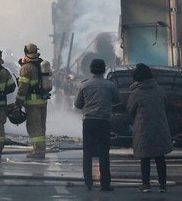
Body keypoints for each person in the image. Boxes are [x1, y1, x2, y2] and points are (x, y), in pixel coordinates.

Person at [74, 59, 120, 192]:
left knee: (87, 152)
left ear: (91, 70)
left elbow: (77, 105)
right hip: (104, 122)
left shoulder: (84, 85)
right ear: (104, 69)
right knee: (104, 153)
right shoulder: (110, 85)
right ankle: (105, 184)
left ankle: (88, 182)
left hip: (88, 121)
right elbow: (117, 100)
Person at [127, 63, 172, 193]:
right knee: (160, 157)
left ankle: (146, 184)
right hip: (160, 127)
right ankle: (162, 185)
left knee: (144, 157)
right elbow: (166, 105)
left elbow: (130, 110)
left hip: (143, 128)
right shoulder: (159, 90)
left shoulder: (136, 93)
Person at [16, 43, 51, 158]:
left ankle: (38, 151)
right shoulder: (42, 64)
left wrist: (18, 102)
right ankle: (41, 148)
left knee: (33, 126)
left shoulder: (26, 68)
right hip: (43, 100)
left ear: (26, 52)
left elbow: (23, 88)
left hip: (32, 102)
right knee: (41, 126)